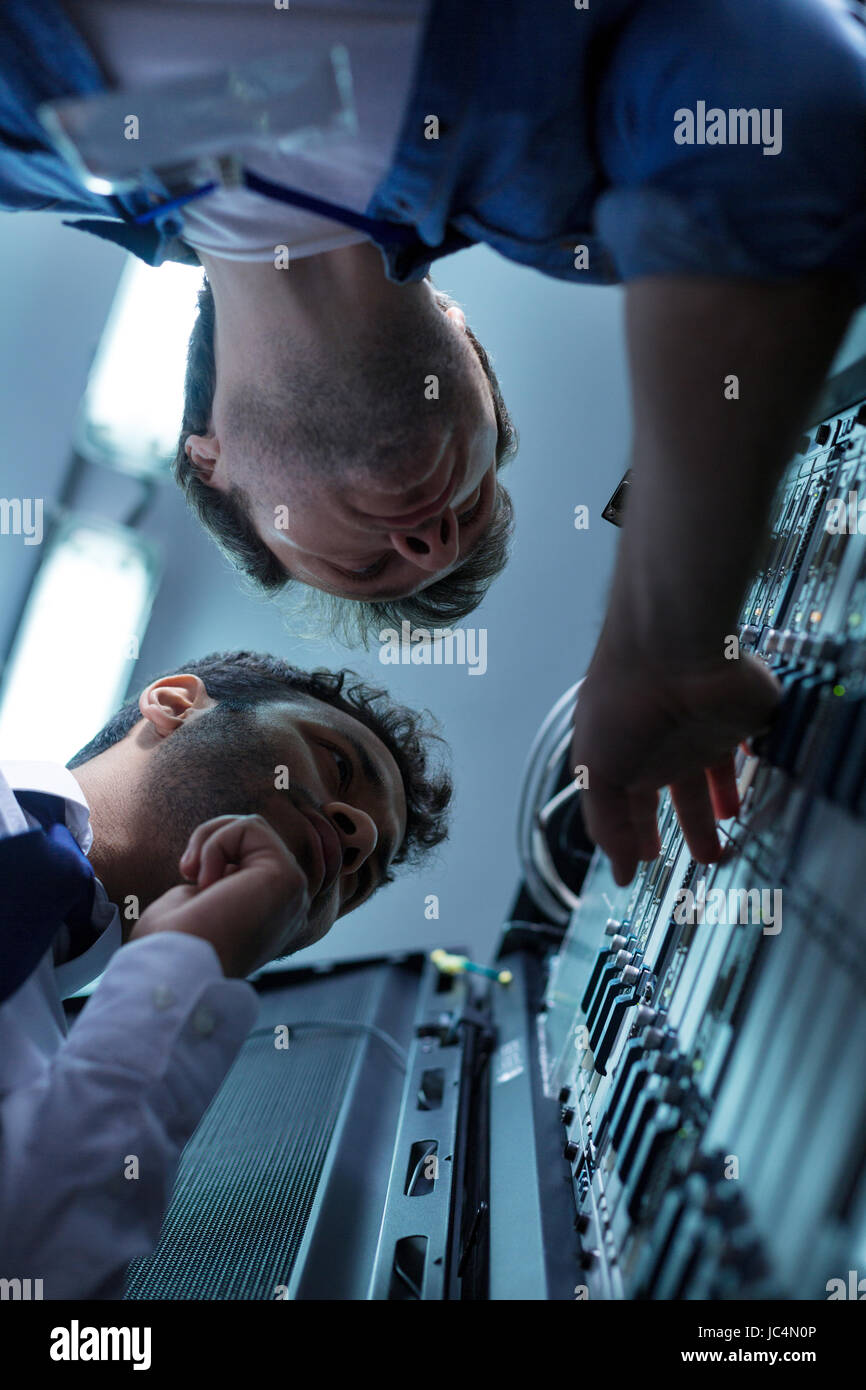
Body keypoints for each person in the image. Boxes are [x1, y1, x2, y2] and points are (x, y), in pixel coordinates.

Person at [4, 0, 865, 878]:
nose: (429, 533)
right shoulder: (571, 152)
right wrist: (670, 634)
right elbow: (796, 110)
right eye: (475, 506)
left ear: (210, 460)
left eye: (365, 566)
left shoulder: (30, 144)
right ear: (472, 360)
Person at [0, 649, 450, 1298]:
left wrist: (184, 968)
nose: (357, 839)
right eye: (337, 764)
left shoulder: (44, 1072)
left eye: (359, 878)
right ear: (177, 703)